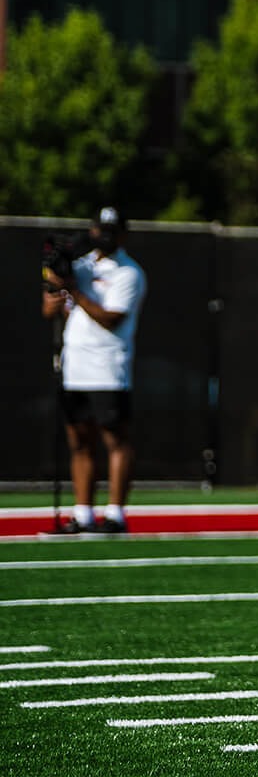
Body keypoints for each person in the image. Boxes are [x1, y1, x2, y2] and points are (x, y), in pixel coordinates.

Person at [41, 206, 147, 534]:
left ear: (123, 234)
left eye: (112, 231)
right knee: (79, 439)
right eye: (101, 230)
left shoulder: (129, 272)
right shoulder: (82, 266)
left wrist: (74, 290)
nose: (105, 236)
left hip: (108, 366)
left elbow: (111, 318)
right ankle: (83, 513)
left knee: (115, 438)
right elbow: (50, 309)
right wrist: (53, 286)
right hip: (75, 365)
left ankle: (115, 513)